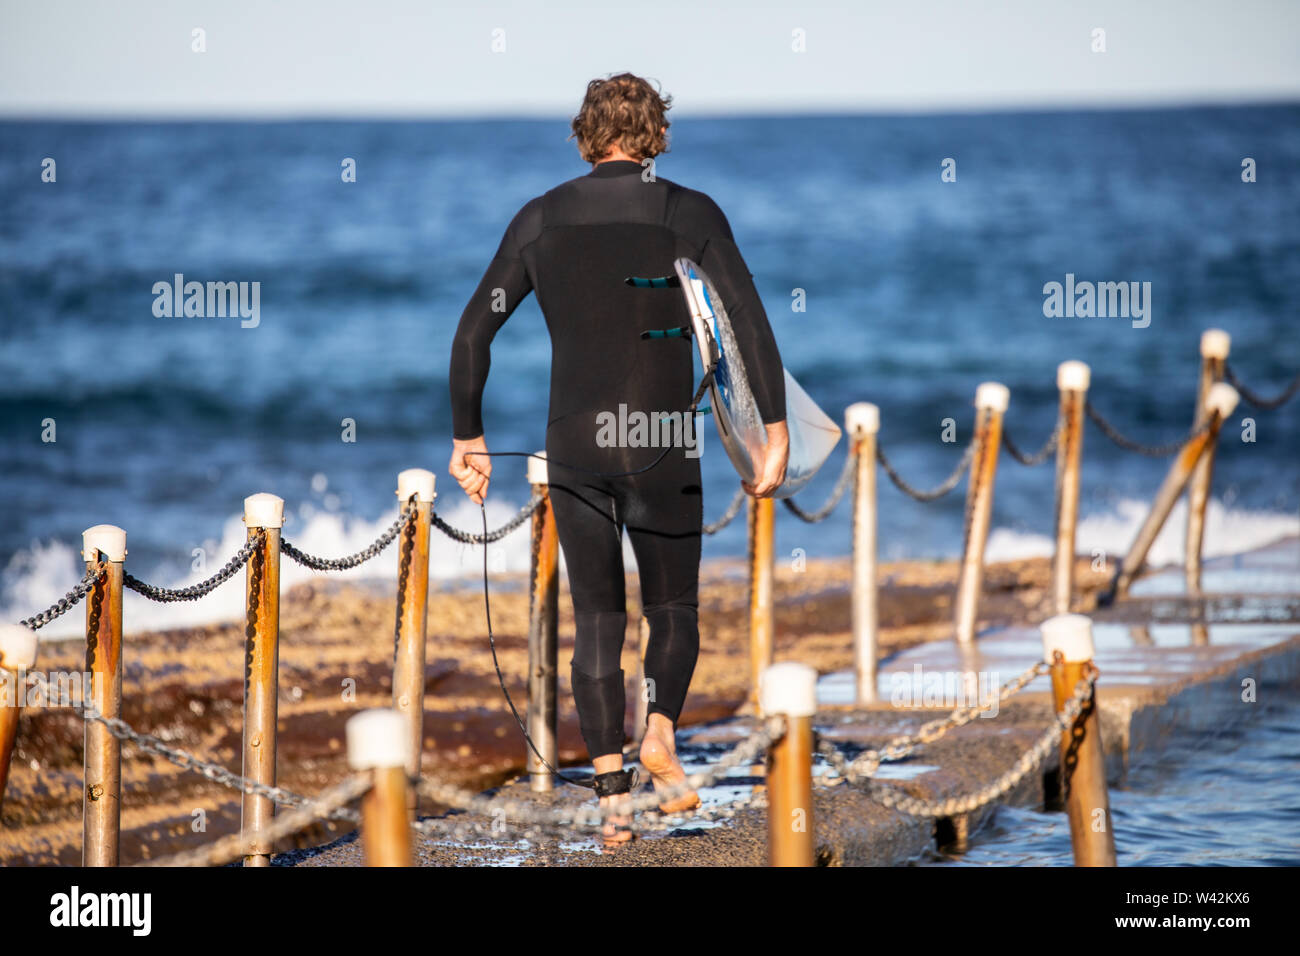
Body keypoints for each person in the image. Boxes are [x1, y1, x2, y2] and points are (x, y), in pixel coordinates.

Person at [448, 73, 789, 845]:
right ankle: (660, 730)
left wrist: (468, 438)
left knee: (597, 620)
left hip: (574, 446)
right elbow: (747, 319)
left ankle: (610, 801)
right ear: (657, 138)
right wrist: (775, 429)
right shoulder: (687, 211)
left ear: (582, 137)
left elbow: (473, 334)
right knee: (671, 610)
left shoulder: (539, 219)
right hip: (664, 444)